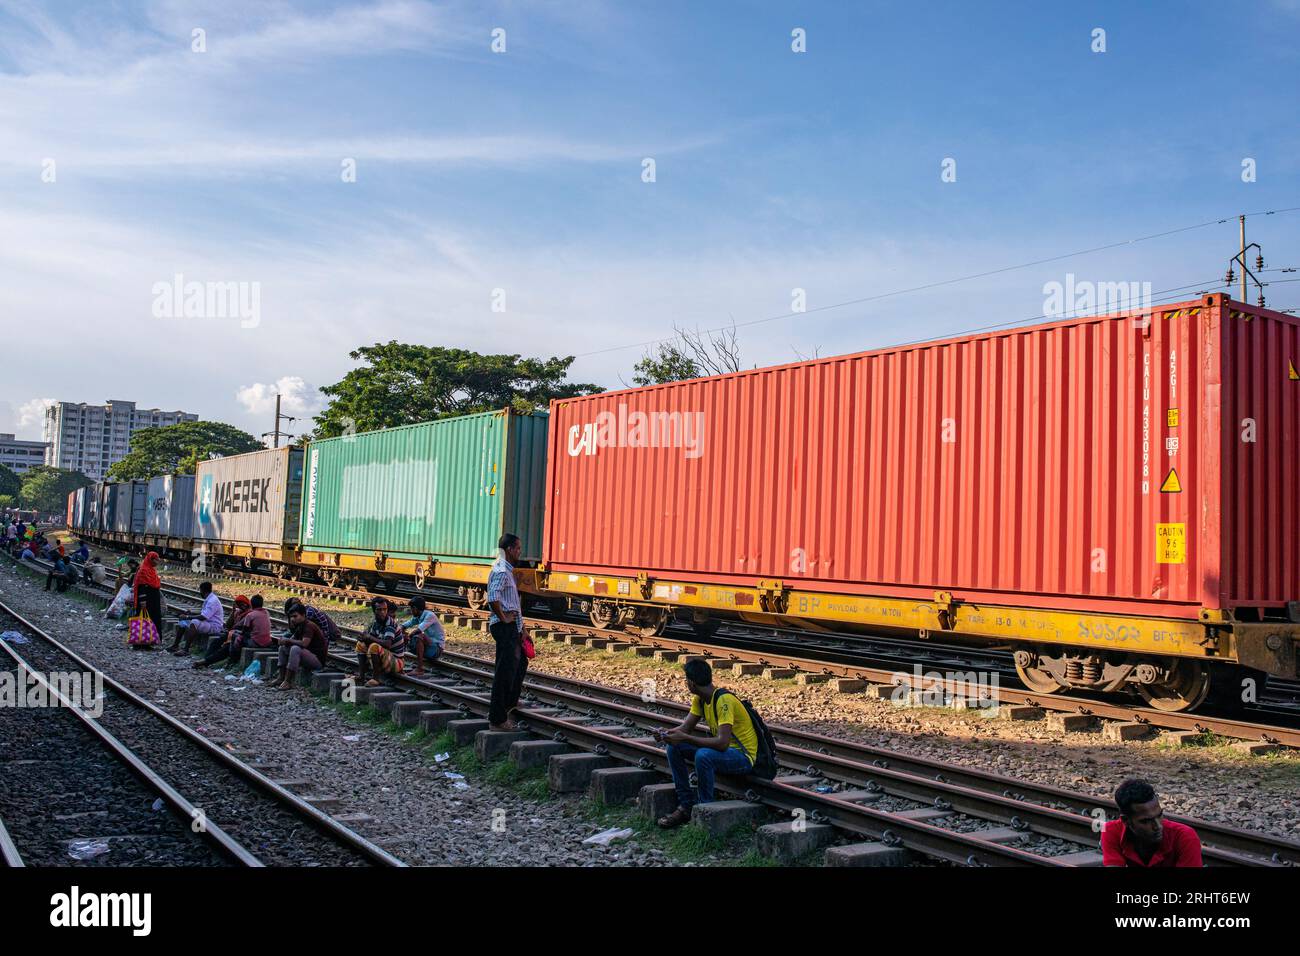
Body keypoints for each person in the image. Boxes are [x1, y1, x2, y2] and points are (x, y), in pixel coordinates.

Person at [654, 658, 758, 829]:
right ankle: (686, 805)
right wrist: (666, 734)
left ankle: (704, 810)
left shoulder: (723, 700)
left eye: (686, 680)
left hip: (742, 757)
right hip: (724, 754)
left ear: (692, 683)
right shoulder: (700, 700)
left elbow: (722, 743)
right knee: (674, 747)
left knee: (703, 755)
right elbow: (686, 728)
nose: (686, 683)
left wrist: (685, 738)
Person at [1101, 778, 1203, 867]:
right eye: (1146, 821)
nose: (1158, 826)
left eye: (1159, 815)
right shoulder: (1112, 831)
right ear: (1126, 821)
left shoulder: (1185, 837)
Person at [486, 532, 527, 731]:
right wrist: (503, 618)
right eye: (518, 548)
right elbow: (492, 597)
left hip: (512, 627)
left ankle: (511, 702)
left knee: (520, 663)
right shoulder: (502, 571)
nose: (520, 551)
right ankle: (497, 719)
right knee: (504, 671)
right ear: (509, 549)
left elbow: (511, 602)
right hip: (504, 627)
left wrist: (522, 628)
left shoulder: (506, 569)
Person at [269, 603, 328, 690]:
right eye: (291, 617)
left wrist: (288, 640)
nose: (292, 619)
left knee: (295, 649)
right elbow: (293, 638)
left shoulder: (309, 626)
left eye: (295, 616)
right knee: (283, 648)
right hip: (308, 655)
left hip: (317, 660)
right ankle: (281, 677)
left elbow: (304, 643)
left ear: (303, 615)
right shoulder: (300, 625)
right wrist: (283, 641)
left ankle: (288, 681)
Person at [354, 596, 406, 687]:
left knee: (374, 646)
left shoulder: (390, 624)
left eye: (385, 609)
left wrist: (369, 638)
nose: (382, 612)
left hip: (396, 661)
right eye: (379, 610)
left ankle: (376, 679)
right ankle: (361, 676)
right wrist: (364, 639)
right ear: (374, 611)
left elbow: (387, 644)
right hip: (387, 658)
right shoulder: (375, 623)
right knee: (360, 645)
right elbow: (371, 638)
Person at [194, 595, 251, 669]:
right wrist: (233, 612)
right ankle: (205, 660)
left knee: (224, 650)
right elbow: (228, 625)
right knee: (216, 642)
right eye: (239, 604)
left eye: (243, 604)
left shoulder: (249, 614)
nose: (242, 606)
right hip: (232, 634)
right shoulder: (237, 613)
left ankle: (205, 662)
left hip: (239, 637)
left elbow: (240, 628)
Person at [168, 581, 224, 655]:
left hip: (214, 626)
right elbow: (203, 614)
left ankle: (186, 650)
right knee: (183, 620)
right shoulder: (209, 598)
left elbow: (204, 617)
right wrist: (190, 614)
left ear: (203, 590)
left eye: (200, 591)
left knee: (194, 622)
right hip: (208, 623)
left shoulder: (212, 601)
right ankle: (175, 645)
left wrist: (188, 617)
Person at [403, 596, 445, 675]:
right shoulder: (419, 616)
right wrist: (401, 629)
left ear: (415, 608)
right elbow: (408, 623)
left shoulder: (430, 615)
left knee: (419, 636)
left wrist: (408, 636)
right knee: (404, 634)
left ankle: (420, 669)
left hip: (437, 649)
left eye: (411, 609)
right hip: (429, 647)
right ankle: (400, 663)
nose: (411, 611)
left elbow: (418, 630)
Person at [131, 552, 165, 645]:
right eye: (155, 559)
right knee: (144, 620)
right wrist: (142, 601)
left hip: (153, 600)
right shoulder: (143, 570)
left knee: (153, 619)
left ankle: (152, 640)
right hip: (146, 601)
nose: (157, 561)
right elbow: (141, 587)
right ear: (150, 559)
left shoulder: (152, 570)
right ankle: (142, 642)